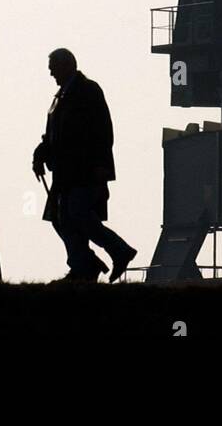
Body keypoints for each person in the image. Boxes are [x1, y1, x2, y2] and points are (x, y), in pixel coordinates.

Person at [32, 48, 137, 282]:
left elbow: (103, 131)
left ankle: (113, 253)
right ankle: (84, 264)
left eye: (53, 68)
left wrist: (100, 166)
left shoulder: (88, 91)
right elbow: (50, 137)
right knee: (62, 219)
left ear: (67, 65)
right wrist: (39, 156)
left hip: (85, 171)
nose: (51, 74)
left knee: (78, 215)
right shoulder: (60, 98)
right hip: (65, 173)